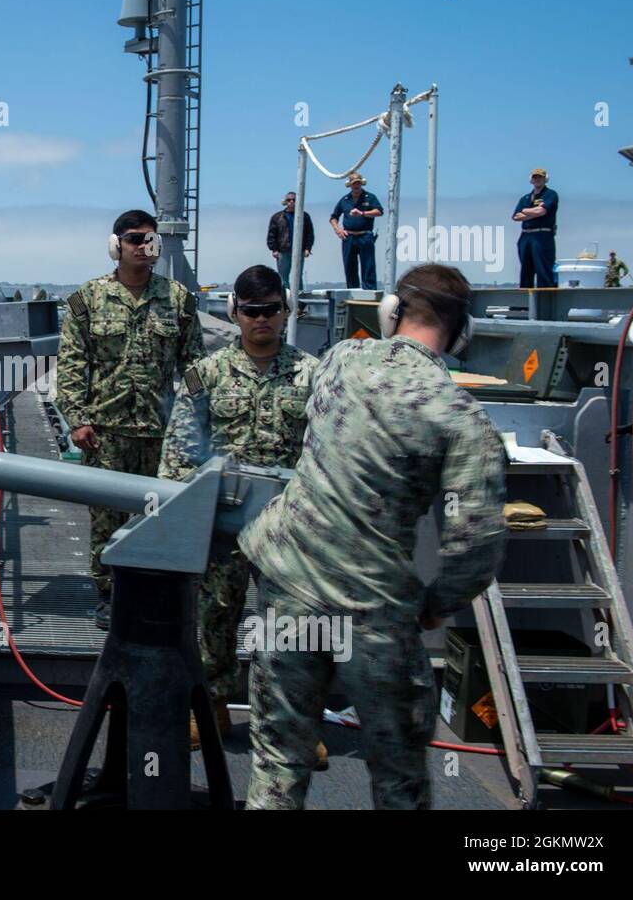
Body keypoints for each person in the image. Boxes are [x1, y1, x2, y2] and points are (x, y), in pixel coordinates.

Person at [239, 264, 507, 809]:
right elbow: (475, 545)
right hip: (375, 609)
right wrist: (437, 604)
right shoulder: (462, 418)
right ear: (463, 333)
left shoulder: (339, 360)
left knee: (278, 757)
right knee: (398, 774)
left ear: (391, 313)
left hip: (286, 580)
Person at [158, 264, 327, 769]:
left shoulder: (313, 376)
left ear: (286, 311)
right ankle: (209, 709)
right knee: (214, 618)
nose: (261, 320)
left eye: (270, 310)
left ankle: (291, 725)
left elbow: (330, 451)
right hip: (222, 524)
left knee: (292, 627)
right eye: (251, 311)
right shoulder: (206, 375)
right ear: (235, 312)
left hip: (288, 526)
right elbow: (179, 452)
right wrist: (178, 519)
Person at [54, 209, 206, 630]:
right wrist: (78, 420)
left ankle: (157, 595)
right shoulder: (88, 300)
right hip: (105, 433)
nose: (145, 246)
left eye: (151, 239)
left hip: (161, 435)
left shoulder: (177, 300)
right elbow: (71, 366)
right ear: (115, 245)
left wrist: (196, 422)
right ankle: (109, 595)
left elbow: (193, 367)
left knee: (162, 519)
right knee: (107, 519)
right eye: (136, 239)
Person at [329, 172, 384, 290]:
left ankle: (369, 292)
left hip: (365, 236)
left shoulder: (370, 197)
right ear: (350, 185)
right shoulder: (344, 200)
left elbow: (379, 211)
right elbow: (334, 217)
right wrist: (338, 230)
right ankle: (352, 291)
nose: (356, 186)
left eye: (358, 183)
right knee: (350, 267)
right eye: (354, 184)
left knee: (368, 266)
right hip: (348, 237)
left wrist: (362, 213)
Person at [512, 168, 559, 289]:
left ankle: (546, 302)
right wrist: (533, 213)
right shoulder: (525, 198)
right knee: (526, 270)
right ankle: (525, 304)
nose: (537, 180)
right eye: (535, 177)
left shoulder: (550, 195)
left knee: (543, 269)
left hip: (542, 235)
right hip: (525, 235)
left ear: (545, 179)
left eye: (540, 177)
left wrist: (526, 211)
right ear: (531, 180)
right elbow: (516, 216)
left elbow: (542, 211)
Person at [266, 192, 314, 290]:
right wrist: (274, 249)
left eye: (294, 200)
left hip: (299, 251)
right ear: (285, 202)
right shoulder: (277, 217)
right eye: (289, 200)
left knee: (298, 276)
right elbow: (272, 235)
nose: (291, 202)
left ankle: (299, 300)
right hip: (283, 251)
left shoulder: (304, 216)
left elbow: (310, 234)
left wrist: (308, 248)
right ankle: (286, 300)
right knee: (283, 277)